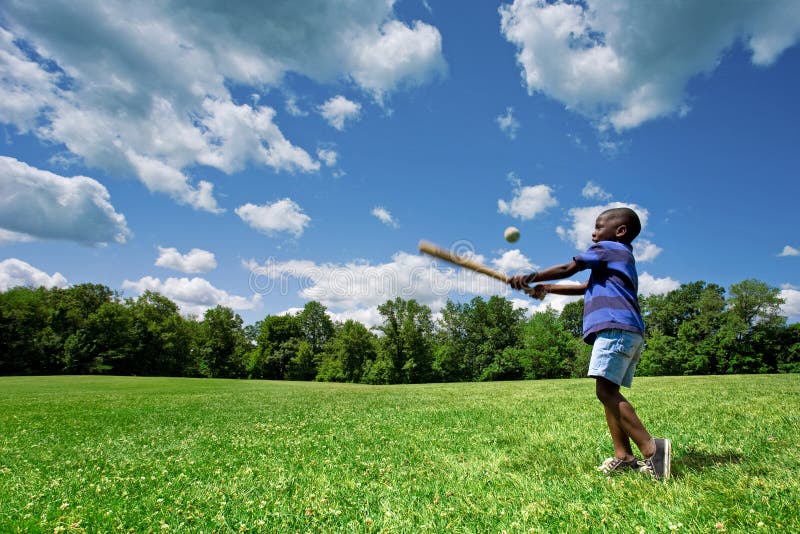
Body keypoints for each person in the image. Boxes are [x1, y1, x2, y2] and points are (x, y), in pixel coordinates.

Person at [509, 207, 671, 480]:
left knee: (606, 393)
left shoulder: (609, 248)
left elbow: (569, 268)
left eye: (597, 227)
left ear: (619, 231)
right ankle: (624, 456)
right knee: (608, 393)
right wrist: (546, 289)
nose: (593, 233)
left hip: (615, 328)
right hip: (626, 330)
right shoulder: (618, 258)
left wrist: (532, 276)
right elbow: (584, 287)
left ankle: (653, 449)